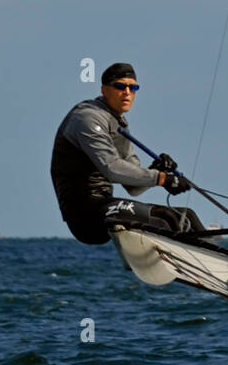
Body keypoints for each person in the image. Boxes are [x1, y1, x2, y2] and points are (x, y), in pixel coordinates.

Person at [51, 62, 204, 245]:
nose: (127, 92)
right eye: (120, 86)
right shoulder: (87, 117)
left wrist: (156, 169)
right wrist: (162, 178)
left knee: (187, 216)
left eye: (133, 87)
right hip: (84, 214)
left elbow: (134, 187)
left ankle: (224, 265)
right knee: (167, 218)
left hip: (106, 206)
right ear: (104, 90)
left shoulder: (119, 123)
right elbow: (112, 168)